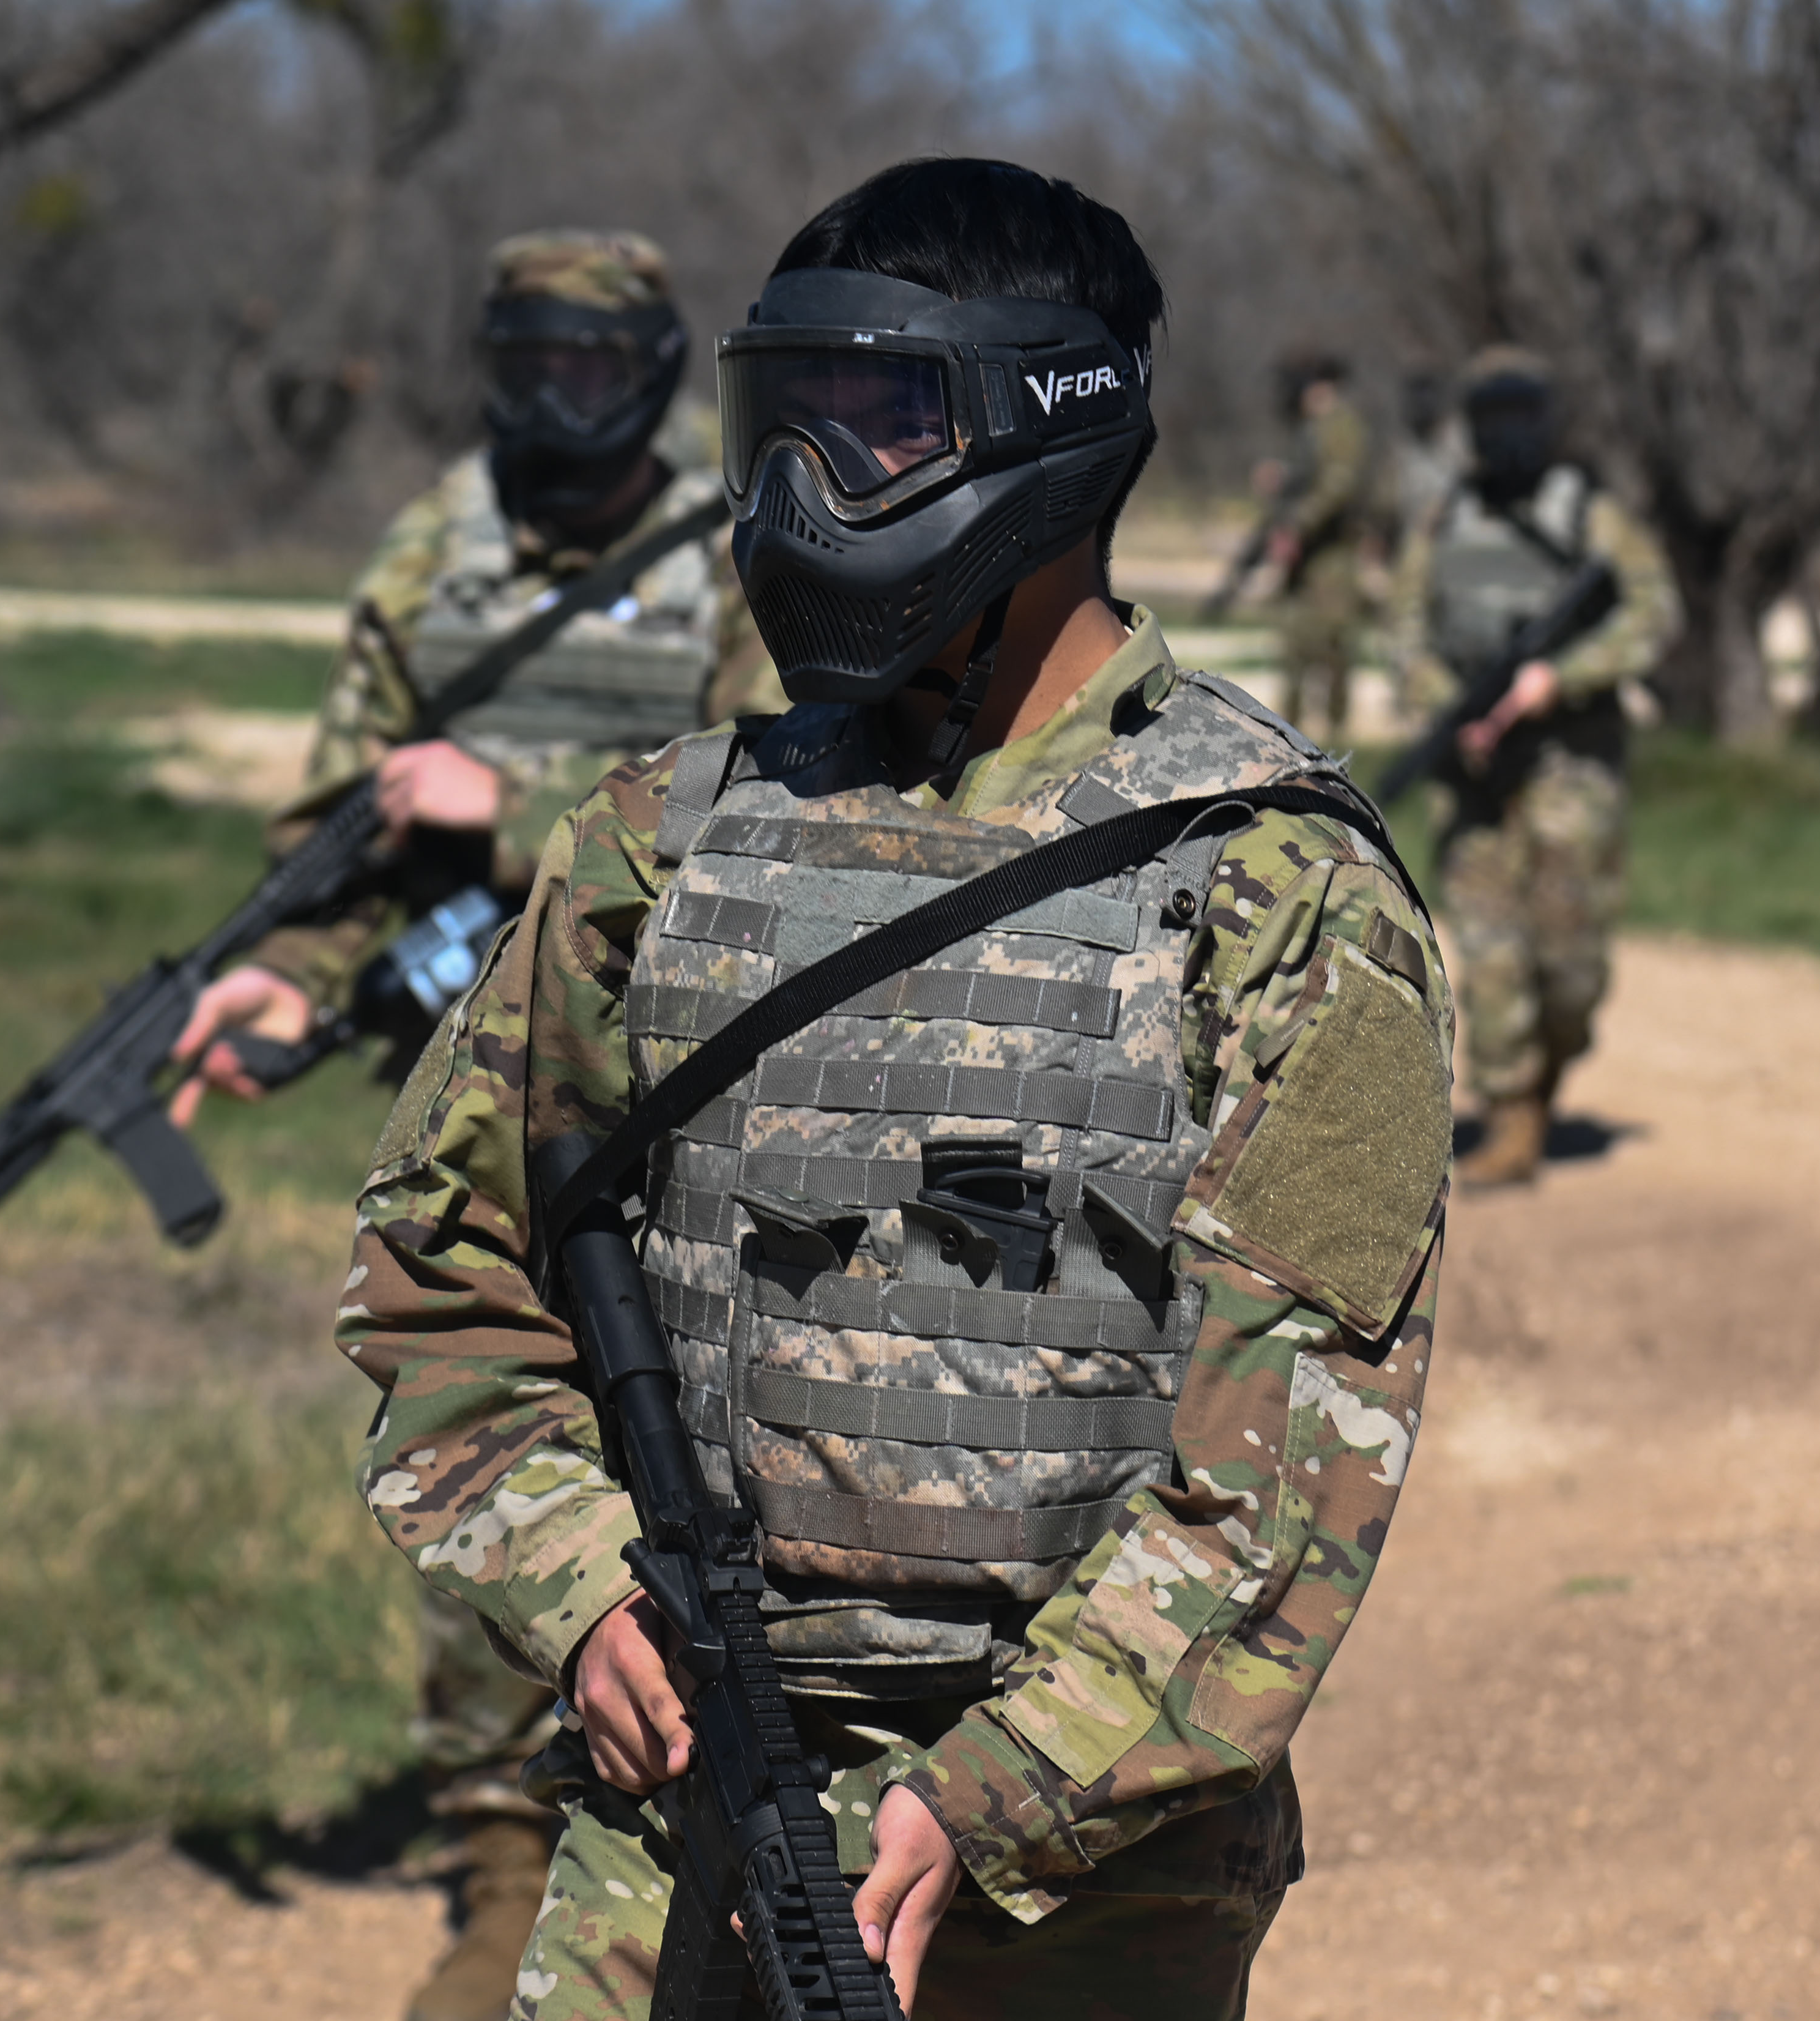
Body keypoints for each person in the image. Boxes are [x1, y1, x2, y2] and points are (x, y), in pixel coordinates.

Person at [333, 158, 1455, 2021]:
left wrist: (998, 1798)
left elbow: (1288, 1479)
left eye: (872, 432)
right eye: (779, 430)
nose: (797, 496)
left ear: (1045, 434)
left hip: (1077, 1872)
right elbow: (437, 1261)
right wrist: (578, 1594)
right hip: (676, 1802)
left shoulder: (1277, 889)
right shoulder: (660, 841)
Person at [166, 228, 768, 2021]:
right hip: (469, 1082)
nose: (567, 401)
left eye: (604, 367)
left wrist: (501, 804)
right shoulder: (431, 554)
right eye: (537, 365)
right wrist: (288, 969)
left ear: (656, 372)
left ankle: (727, 1808)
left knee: (698, 1429)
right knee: (484, 1426)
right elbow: (338, 835)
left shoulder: (732, 557)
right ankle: (509, 1857)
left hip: (684, 1064)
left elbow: (777, 799)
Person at [1410, 347, 1679, 1187]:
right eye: (1490, 415)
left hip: (1571, 764)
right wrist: (1455, 709)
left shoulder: (1589, 517)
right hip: (1478, 771)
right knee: (1489, 948)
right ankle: (1512, 1113)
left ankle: (1551, 1062)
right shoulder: (1444, 518)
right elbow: (1405, 632)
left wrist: (1557, 679)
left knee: (1569, 958)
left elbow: (1654, 612)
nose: (1506, 433)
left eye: (1519, 412)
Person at [1266, 352, 1376, 748]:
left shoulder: (1341, 424)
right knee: (1296, 647)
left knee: (1334, 648)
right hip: (1308, 561)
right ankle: (1287, 740)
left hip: (1333, 557)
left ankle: (1337, 740)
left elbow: (1340, 485)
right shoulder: (1310, 429)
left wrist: (1298, 524)